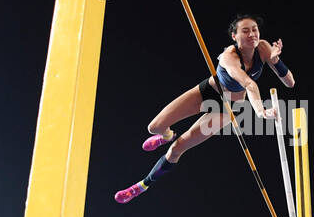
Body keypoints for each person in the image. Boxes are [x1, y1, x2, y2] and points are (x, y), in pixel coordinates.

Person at [115, 14, 295, 203]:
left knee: (177, 149)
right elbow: (249, 84)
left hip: (228, 108)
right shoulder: (229, 56)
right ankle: (166, 135)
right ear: (234, 36)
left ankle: (141, 185)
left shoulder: (264, 49)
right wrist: (260, 111)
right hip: (208, 93)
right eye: (245, 31)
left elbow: (290, 83)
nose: (252, 34)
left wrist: (276, 61)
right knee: (154, 127)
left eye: (254, 29)